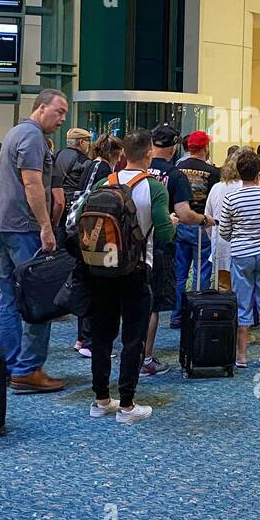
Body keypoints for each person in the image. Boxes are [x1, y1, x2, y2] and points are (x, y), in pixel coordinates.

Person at [0, 88, 70, 393]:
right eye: (59, 111)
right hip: (23, 226)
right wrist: (46, 227)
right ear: (41, 107)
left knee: (8, 296)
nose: (62, 119)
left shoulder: (15, 133)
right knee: (39, 298)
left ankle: (10, 364)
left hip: (1, 225)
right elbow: (32, 183)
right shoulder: (32, 137)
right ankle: (28, 369)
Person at [86, 129, 175, 424]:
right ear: (149, 153)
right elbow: (164, 233)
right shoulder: (154, 188)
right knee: (132, 338)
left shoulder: (104, 182)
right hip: (136, 269)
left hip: (100, 268)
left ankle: (100, 399)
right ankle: (126, 404)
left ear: (123, 153)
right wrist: (171, 222)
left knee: (101, 335)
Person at [146, 126, 210, 374]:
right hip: (164, 241)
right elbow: (184, 213)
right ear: (173, 148)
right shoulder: (174, 175)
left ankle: (131, 350)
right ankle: (146, 357)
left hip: (131, 244)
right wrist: (204, 220)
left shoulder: (134, 171)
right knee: (154, 301)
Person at [217, 149, 260, 369]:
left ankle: (242, 356)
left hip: (241, 253)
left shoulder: (231, 198)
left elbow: (224, 232)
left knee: (242, 304)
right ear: (259, 172)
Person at [65, 131, 123, 357]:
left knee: (86, 282)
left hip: (80, 227)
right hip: (93, 230)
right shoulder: (104, 170)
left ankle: (82, 338)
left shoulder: (90, 164)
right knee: (97, 287)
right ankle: (92, 341)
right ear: (115, 153)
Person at [172, 129, 219, 325]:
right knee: (202, 273)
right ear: (205, 148)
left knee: (180, 273)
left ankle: (177, 314)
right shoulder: (213, 172)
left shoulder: (177, 168)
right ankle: (197, 313)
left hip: (181, 224)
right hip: (201, 225)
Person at [205, 148, 244, 292]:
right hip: (245, 247)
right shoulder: (249, 188)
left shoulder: (217, 187)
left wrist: (214, 239)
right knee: (245, 289)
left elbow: (208, 219)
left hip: (222, 244)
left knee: (223, 287)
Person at [51, 127, 92, 238]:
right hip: (73, 208)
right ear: (82, 142)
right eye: (88, 141)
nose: (89, 145)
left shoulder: (57, 155)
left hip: (54, 205)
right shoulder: (84, 161)